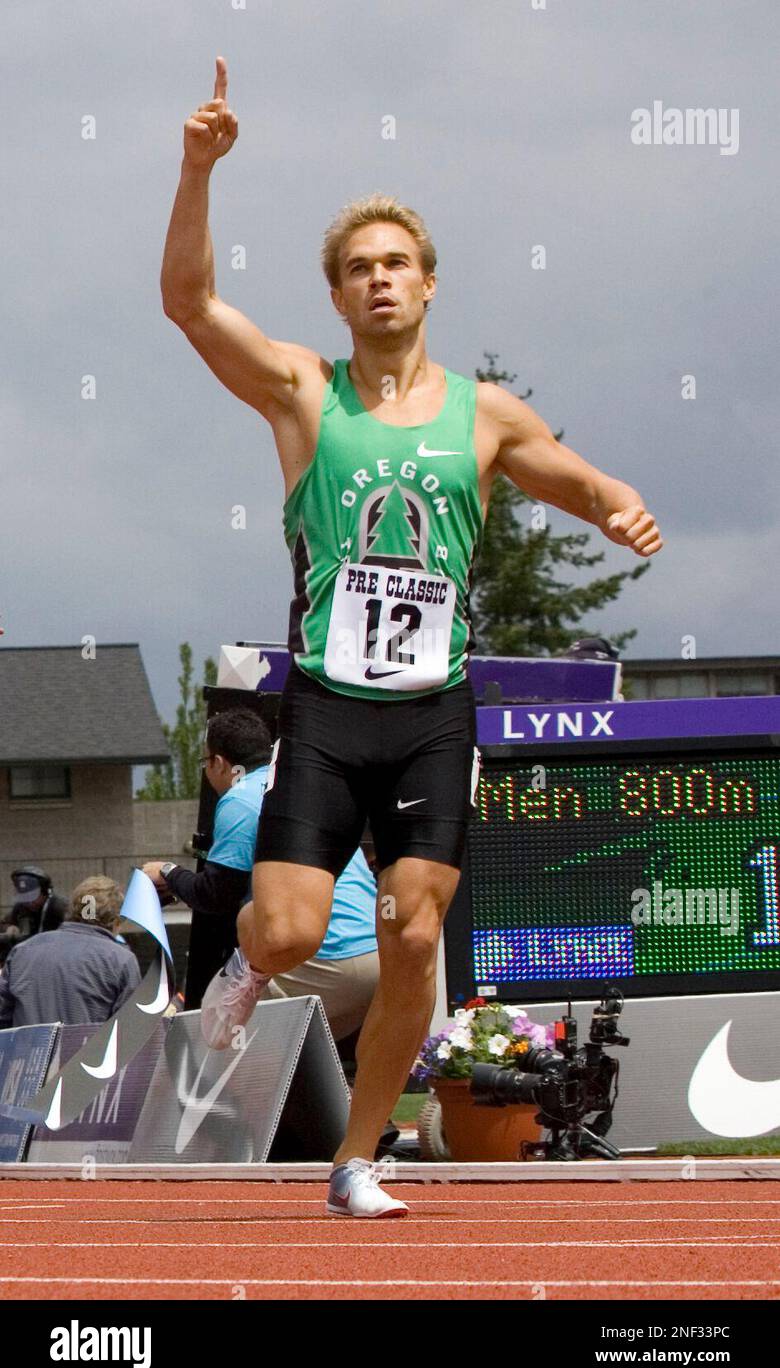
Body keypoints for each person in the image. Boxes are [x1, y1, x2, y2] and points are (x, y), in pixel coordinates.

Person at [161, 57, 664, 1216]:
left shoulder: (482, 414)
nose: (378, 281)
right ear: (337, 297)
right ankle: (245, 968)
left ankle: (358, 1158)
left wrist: (617, 501)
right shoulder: (302, 392)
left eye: (396, 264)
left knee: (415, 925)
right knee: (286, 928)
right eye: (357, 270)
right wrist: (197, 170)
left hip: (434, 704)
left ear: (429, 284)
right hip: (331, 701)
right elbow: (189, 304)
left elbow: (571, 479)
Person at [141, 707, 380, 1044]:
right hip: (377, 956)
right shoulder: (308, 790)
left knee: (215, 1038)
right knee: (301, 1059)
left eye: (205, 762)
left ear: (220, 763)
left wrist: (166, 871)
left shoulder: (240, 799)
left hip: (328, 957)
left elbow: (217, 894)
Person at [0, 876, 141, 1028]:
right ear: (116, 921)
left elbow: (3, 1017)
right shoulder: (121, 960)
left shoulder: (22, 951)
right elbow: (130, 1030)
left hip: (26, 1051)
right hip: (90, 1051)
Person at [1, 865, 66, 943]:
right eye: (24, 898)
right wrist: (9, 928)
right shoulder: (21, 907)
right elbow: (4, 923)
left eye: (32, 897)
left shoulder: (60, 908)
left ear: (45, 892)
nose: (29, 903)